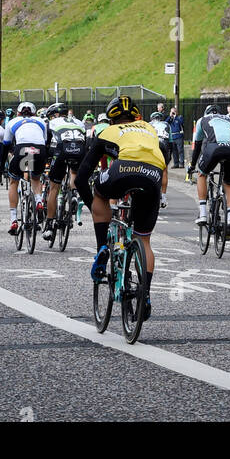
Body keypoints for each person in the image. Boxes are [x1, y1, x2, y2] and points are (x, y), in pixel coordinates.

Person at [77, 95, 165, 321]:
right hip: (152, 175)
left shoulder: (107, 131)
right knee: (144, 240)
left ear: (111, 118)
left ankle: (101, 250)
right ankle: (144, 295)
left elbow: (81, 178)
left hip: (122, 170)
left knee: (99, 192)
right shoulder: (149, 128)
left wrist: (96, 208)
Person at [190, 104, 230, 239]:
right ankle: (229, 221)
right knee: (229, 184)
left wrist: (192, 165)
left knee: (201, 174)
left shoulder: (202, 120)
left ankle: (203, 214)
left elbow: (198, 146)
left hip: (213, 148)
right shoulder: (229, 119)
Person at [1, 102, 50, 234]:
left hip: (22, 149)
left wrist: (1, 167)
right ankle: (39, 201)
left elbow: (6, 144)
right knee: (35, 178)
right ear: (34, 114)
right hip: (39, 149)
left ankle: (13, 220)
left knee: (13, 182)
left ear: (18, 113)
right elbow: (44, 141)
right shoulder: (40, 121)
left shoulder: (13, 121)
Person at [44, 103, 87, 238]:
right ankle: (74, 194)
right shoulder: (79, 121)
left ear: (55, 115)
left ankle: (49, 225)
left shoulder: (51, 123)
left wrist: (46, 159)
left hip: (62, 149)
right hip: (80, 149)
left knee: (54, 188)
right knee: (73, 172)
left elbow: (47, 144)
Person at [168, 106, 185, 171]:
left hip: (179, 136)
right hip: (173, 137)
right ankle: (176, 163)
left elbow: (181, 122)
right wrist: (170, 116)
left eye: (173, 112)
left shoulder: (179, 117)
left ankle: (181, 163)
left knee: (180, 150)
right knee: (174, 151)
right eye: (171, 112)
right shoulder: (170, 119)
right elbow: (166, 122)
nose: (172, 113)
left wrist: (175, 117)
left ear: (176, 112)